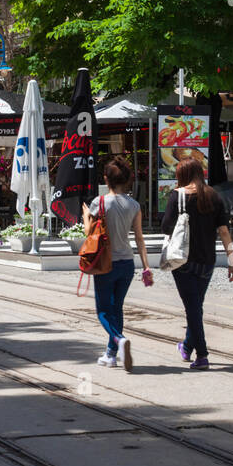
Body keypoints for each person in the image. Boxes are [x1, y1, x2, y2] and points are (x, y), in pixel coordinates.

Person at [162, 159, 233, 371]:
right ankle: (186, 347)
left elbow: (166, 227)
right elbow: (223, 231)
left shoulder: (177, 196)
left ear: (182, 175)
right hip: (207, 261)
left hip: (182, 260)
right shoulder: (214, 196)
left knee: (192, 308)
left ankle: (202, 355)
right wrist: (232, 261)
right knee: (195, 306)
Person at [87, 159, 151, 372]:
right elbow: (140, 238)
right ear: (127, 180)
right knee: (117, 308)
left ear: (106, 179)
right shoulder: (134, 205)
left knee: (103, 311)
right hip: (127, 263)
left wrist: (85, 214)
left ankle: (119, 339)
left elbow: (89, 233)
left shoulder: (100, 202)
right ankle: (111, 355)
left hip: (106, 263)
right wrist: (146, 266)